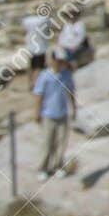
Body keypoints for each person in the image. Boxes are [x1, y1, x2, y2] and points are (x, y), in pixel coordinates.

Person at [32, 49, 77, 180]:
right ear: (52, 60)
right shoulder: (45, 76)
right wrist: (37, 112)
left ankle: (58, 166)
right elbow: (38, 95)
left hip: (63, 114)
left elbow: (71, 93)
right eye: (58, 60)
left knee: (61, 143)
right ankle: (43, 168)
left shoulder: (67, 75)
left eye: (62, 61)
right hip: (48, 114)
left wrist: (74, 109)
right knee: (47, 143)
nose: (60, 63)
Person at [22, 5, 54, 88]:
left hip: (30, 46)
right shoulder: (44, 20)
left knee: (31, 66)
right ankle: (36, 84)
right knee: (38, 67)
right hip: (40, 47)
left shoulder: (28, 20)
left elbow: (24, 29)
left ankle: (30, 83)